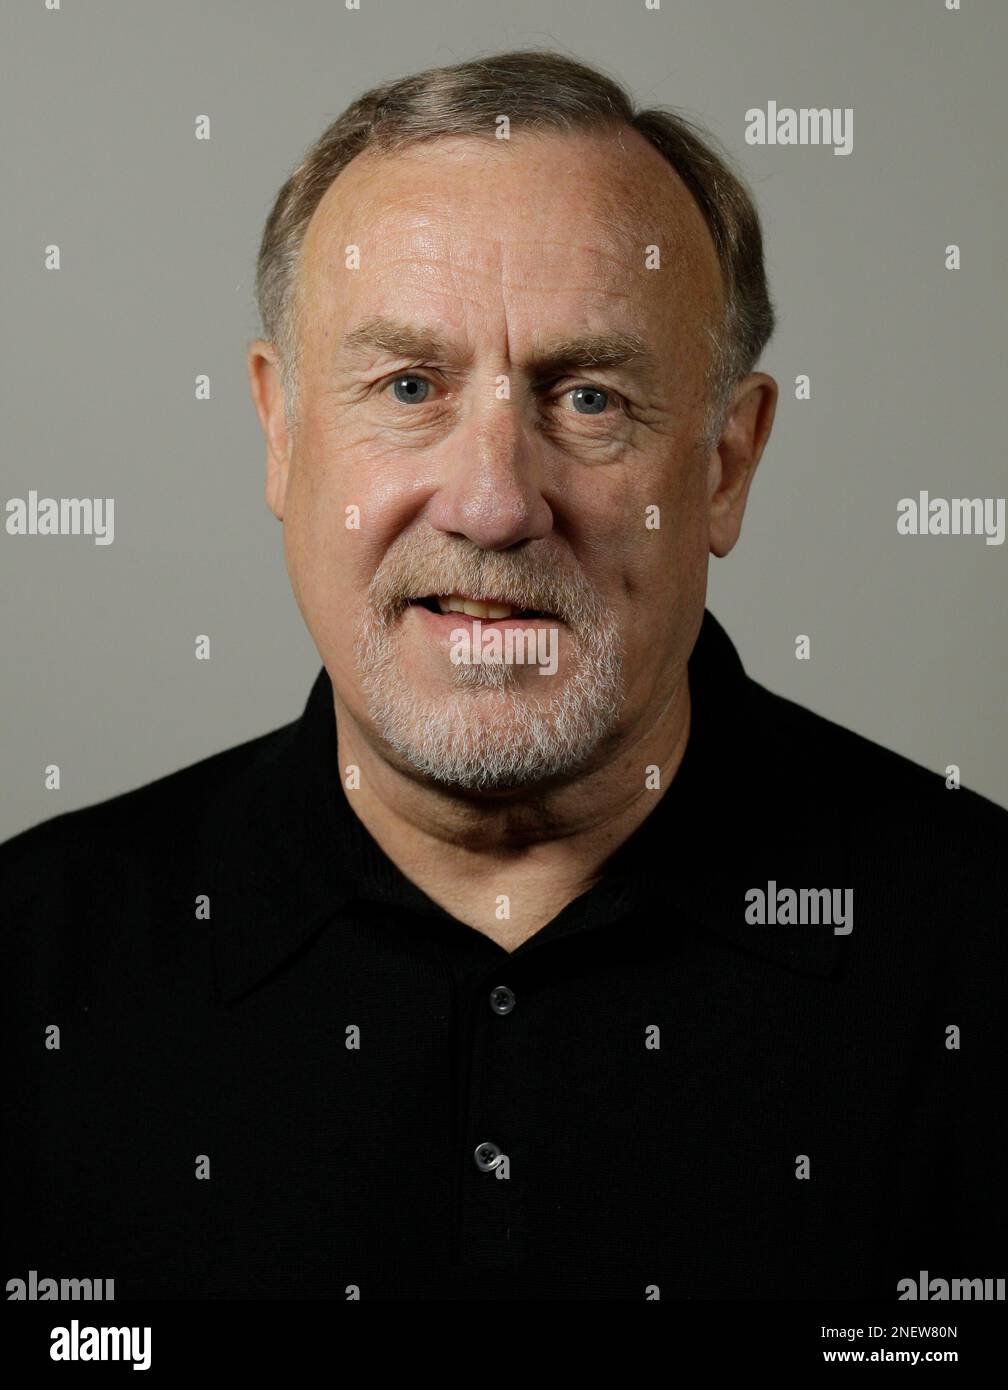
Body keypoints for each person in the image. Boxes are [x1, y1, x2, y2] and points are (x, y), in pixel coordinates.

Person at [3, 49, 1005, 1301]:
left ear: (727, 464)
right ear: (281, 433)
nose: (491, 503)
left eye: (589, 399)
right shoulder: (30, 968)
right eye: (409, 386)